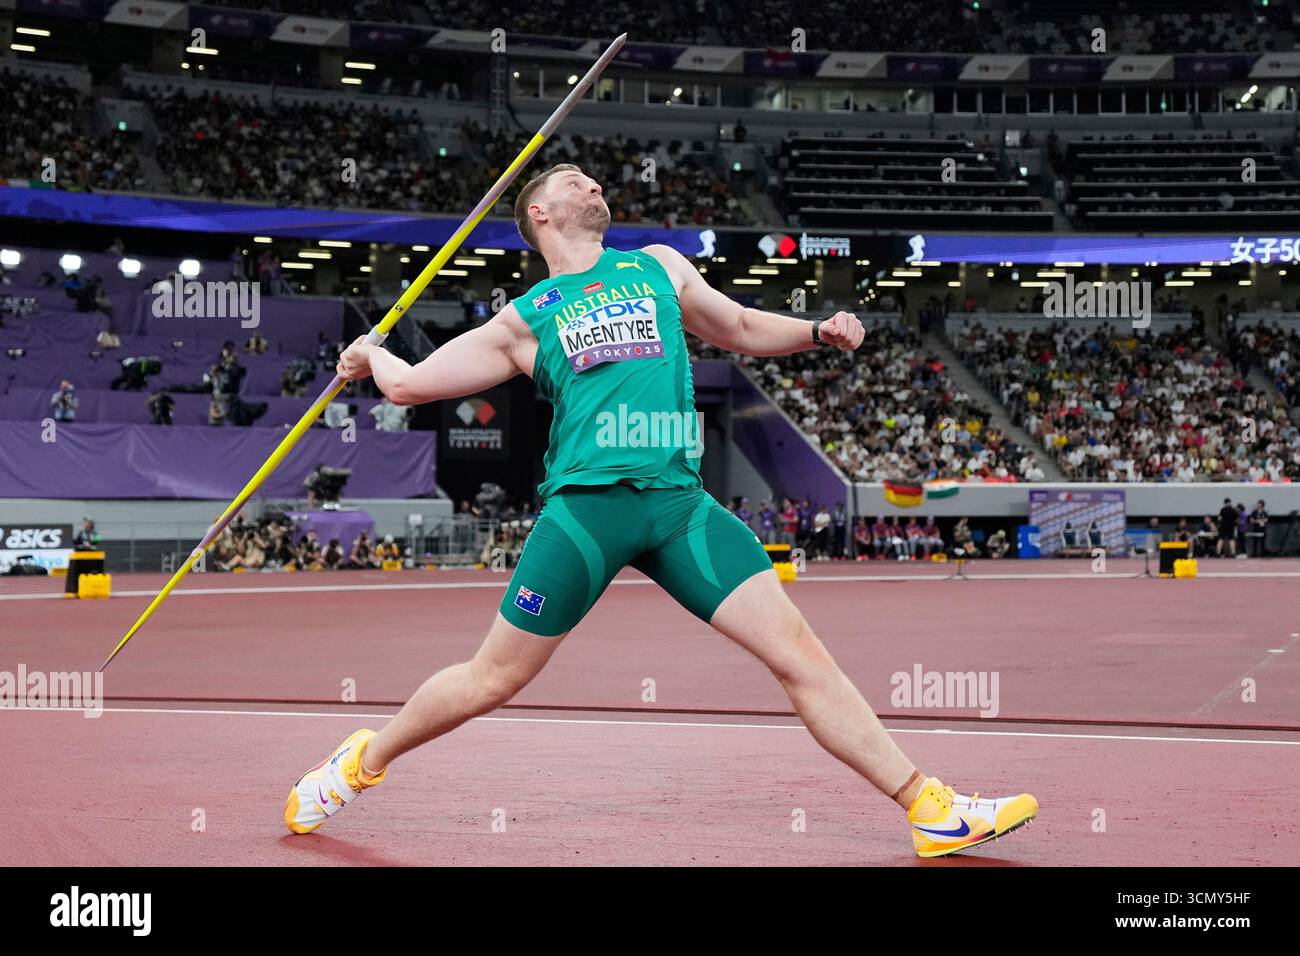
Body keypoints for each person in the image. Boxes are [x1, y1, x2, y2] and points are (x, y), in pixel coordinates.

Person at [284, 162, 1037, 856]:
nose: (594, 184)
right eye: (576, 180)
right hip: (586, 512)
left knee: (798, 651)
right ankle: (362, 762)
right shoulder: (525, 318)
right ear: (540, 213)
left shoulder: (658, 268)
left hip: (681, 507)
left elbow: (738, 327)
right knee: (493, 679)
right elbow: (411, 385)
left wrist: (816, 331)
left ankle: (928, 806)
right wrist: (369, 356)